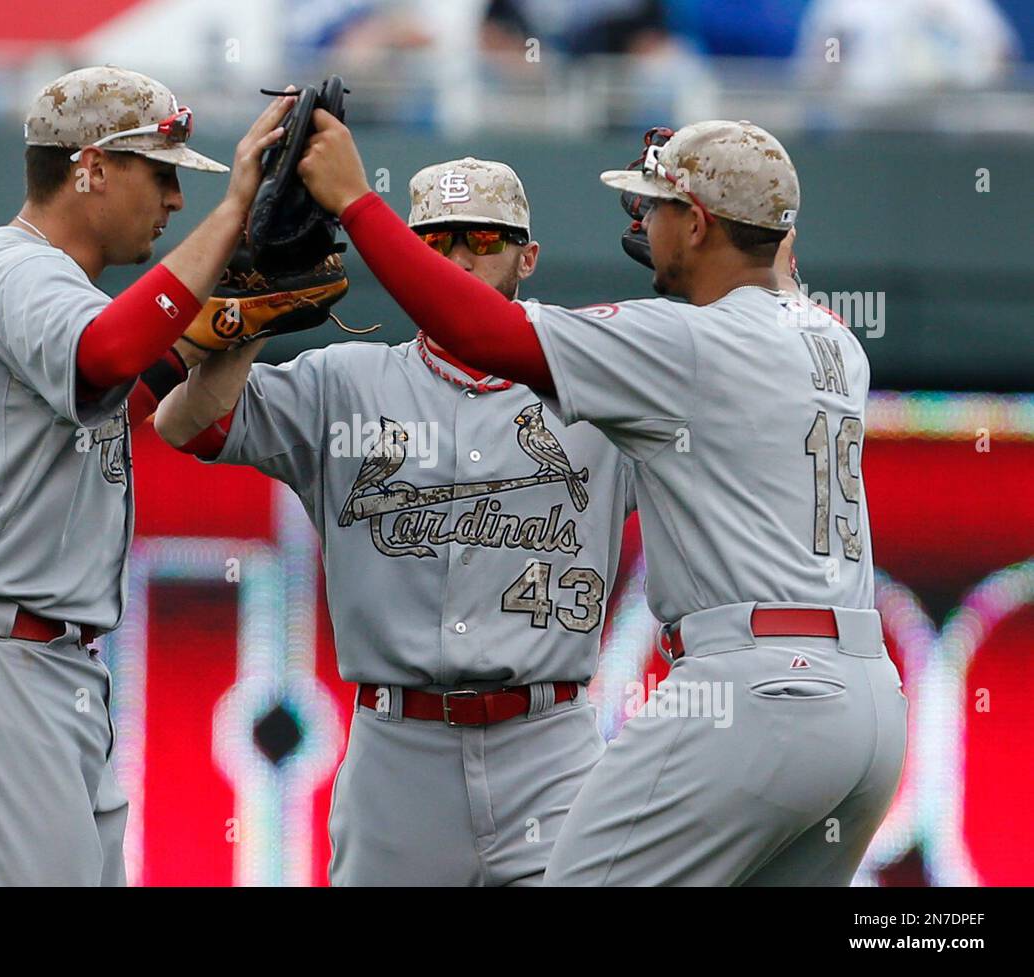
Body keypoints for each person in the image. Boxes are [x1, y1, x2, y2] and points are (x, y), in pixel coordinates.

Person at [295, 112, 908, 885]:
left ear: (698, 224)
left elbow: (484, 334)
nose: (640, 219)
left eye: (653, 207)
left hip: (757, 688)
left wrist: (356, 201)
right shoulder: (831, 337)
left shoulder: (680, 341)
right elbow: (763, 260)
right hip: (871, 705)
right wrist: (710, 214)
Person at [155, 158, 635, 886]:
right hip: (398, 748)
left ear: (528, 257)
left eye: (481, 237)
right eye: (434, 242)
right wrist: (256, 310)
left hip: (552, 746)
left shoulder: (600, 386)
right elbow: (186, 421)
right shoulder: (345, 381)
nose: (457, 258)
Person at [0, 65, 294, 886]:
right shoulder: (12, 269)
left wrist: (234, 322)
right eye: (163, 173)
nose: (176, 200)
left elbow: (117, 390)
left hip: (35, 660)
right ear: (90, 167)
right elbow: (104, 354)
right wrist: (237, 211)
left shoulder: (53, 289)